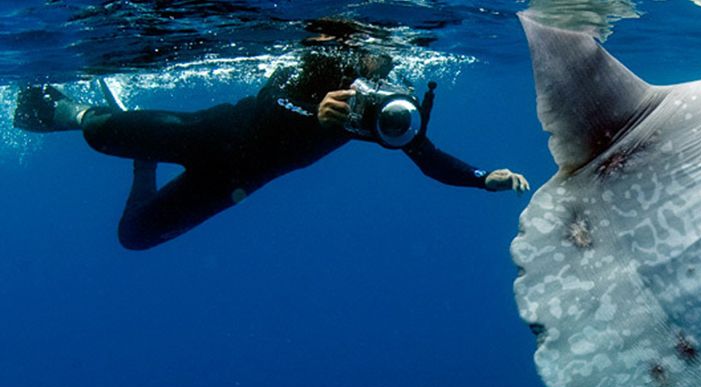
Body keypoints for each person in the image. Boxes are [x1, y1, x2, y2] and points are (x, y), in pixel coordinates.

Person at [12, 41, 530, 251]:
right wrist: (314, 110)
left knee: (134, 235)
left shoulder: (387, 105)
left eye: (385, 65)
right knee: (101, 135)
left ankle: (141, 160)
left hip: (239, 180)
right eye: (373, 61)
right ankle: (71, 110)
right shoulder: (322, 61)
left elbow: (425, 154)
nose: (378, 69)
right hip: (211, 134)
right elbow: (273, 95)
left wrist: (483, 177)